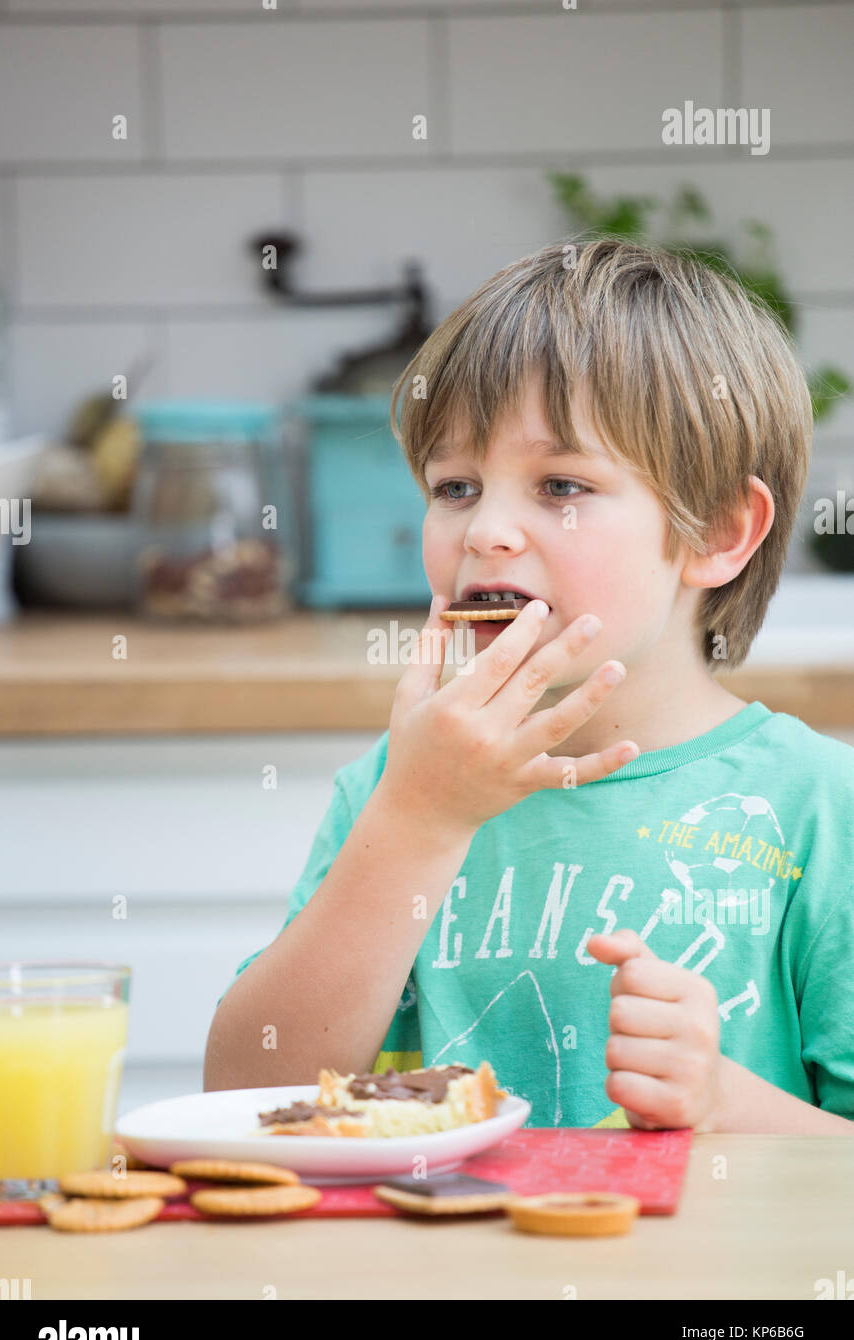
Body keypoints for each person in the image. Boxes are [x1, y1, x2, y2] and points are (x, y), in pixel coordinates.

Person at [205, 239, 854, 1132]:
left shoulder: (821, 808)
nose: (488, 531)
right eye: (456, 486)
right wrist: (416, 821)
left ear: (717, 532)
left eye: (560, 484)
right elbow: (244, 1100)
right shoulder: (401, 790)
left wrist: (722, 1102)